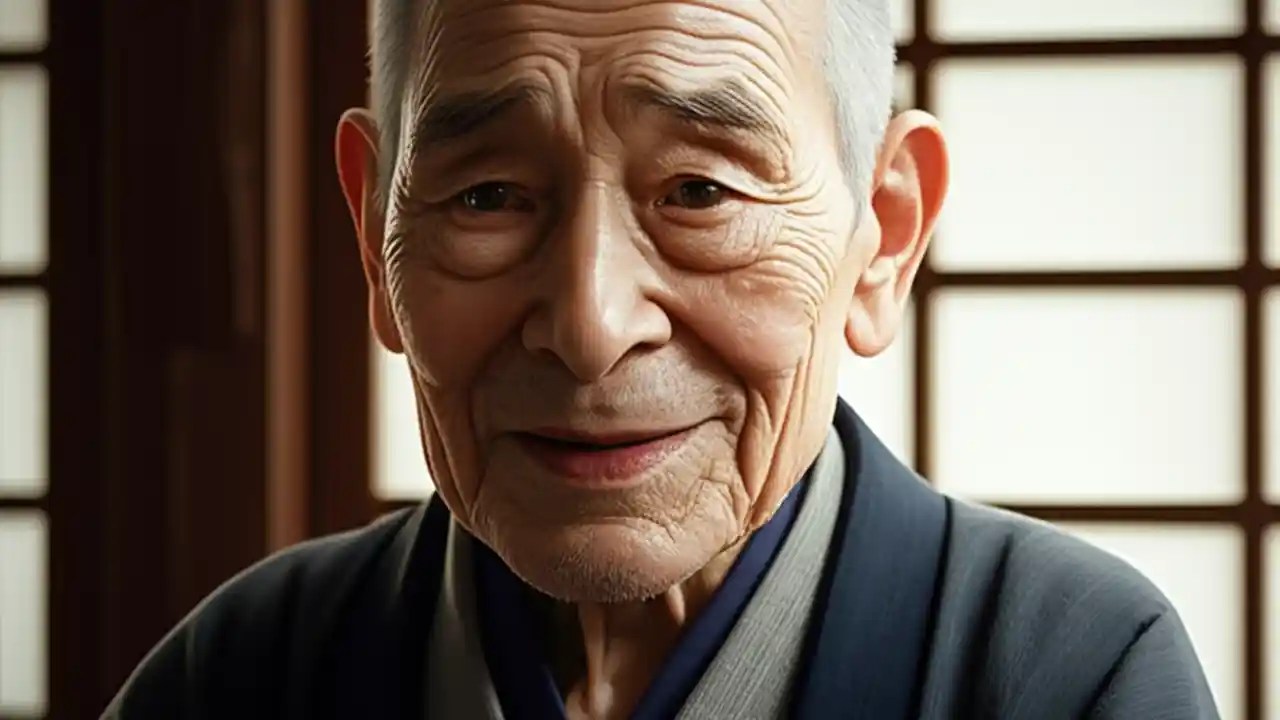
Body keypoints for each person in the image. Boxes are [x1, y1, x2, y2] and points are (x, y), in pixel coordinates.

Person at [104, 0, 1220, 717]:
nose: (590, 327)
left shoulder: (1066, 677)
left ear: (880, 236)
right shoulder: (241, 679)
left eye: (699, 192)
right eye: (488, 196)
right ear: (372, 238)